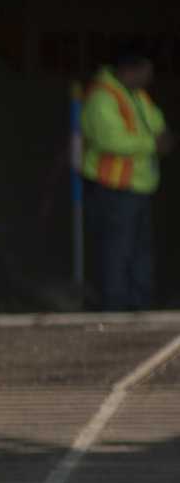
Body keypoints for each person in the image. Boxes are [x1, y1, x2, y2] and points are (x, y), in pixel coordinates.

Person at [80, 49, 171, 311]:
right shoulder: (103, 97)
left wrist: (160, 137)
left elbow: (157, 123)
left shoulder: (137, 96)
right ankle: (114, 311)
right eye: (145, 71)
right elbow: (111, 140)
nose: (149, 78)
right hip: (114, 189)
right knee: (116, 252)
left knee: (140, 253)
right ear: (130, 69)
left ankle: (139, 308)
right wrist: (152, 144)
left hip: (139, 188)